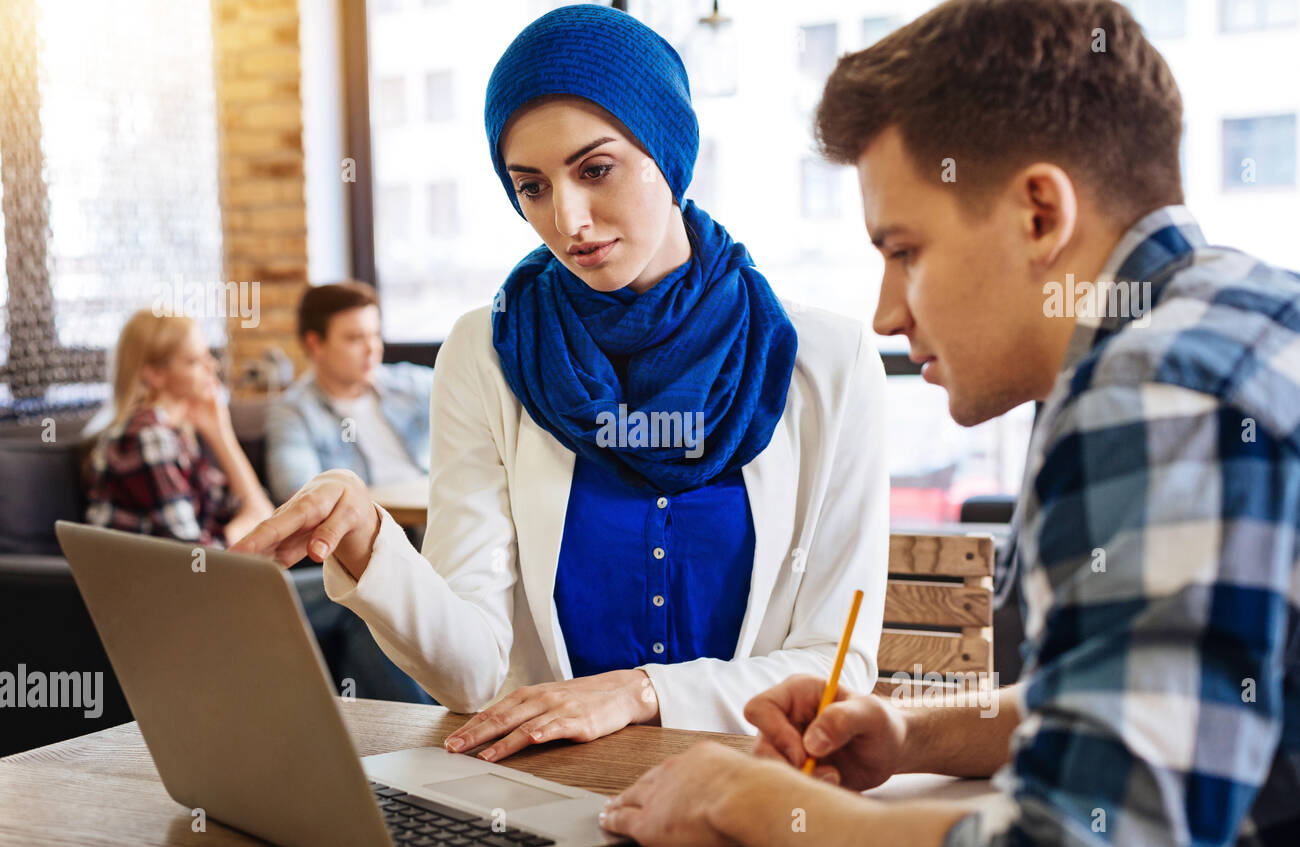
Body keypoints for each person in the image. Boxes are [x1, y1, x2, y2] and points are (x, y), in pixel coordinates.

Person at [599, 0, 1300, 847]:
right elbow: (1143, 704)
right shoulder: (1243, 317)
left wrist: (759, 803)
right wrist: (908, 732)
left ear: (1039, 214)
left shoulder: (1151, 391)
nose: (887, 314)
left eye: (905, 251)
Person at [231, 4, 891, 762]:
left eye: (595, 169)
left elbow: (838, 667)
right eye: (532, 186)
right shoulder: (487, 350)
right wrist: (371, 544)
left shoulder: (828, 362)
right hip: (549, 797)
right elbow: (475, 671)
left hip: (751, 789)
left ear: (669, 149)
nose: (567, 219)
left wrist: (641, 691)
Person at [82, 308, 434, 705]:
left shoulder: (178, 434)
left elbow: (259, 513)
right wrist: (245, 527)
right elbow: (197, 559)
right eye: (195, 360)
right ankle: (415, 741)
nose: (211, 367)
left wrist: (221, 433)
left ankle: (372, 745)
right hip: (178, 605)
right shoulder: (147, 437)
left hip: (216, 586)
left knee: (358, 591)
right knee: (356, 599)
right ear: (154, 374)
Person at [265, 281, 433, 505]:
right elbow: (301, 497)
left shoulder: (410, 385)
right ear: (315, 345)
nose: (373, 348)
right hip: (371, 531)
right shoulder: (294, 413)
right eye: (355, 338)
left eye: (375, 334)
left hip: (436, 517)